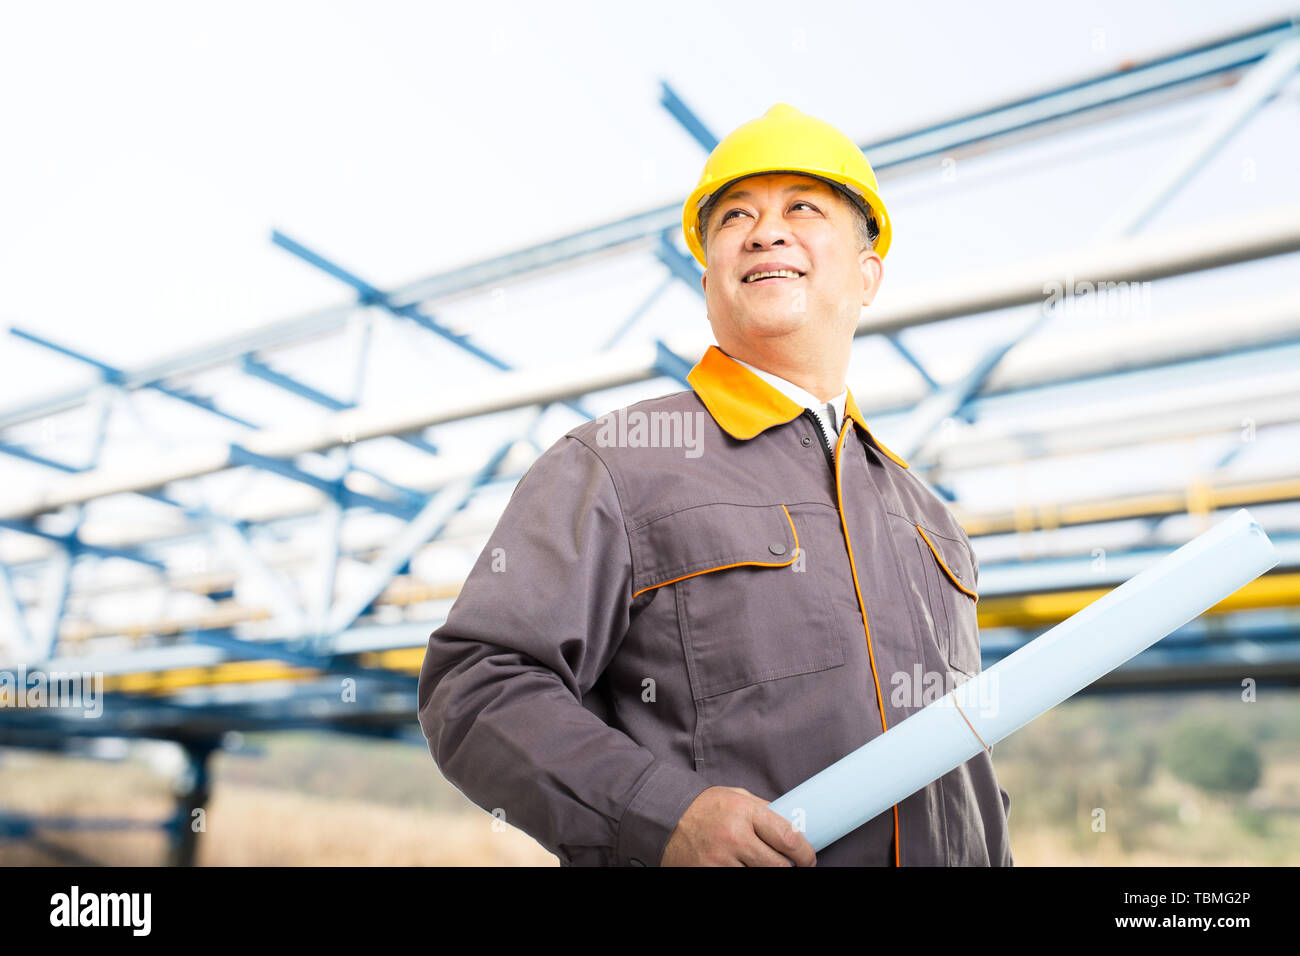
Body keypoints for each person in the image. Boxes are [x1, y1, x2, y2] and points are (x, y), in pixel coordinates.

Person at [417, 103, 1013, 867]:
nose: (767, 231)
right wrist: (661, 816)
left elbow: (971, 779)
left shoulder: (929, 520)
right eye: (736, 216)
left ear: (869, 276)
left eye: (803, 206)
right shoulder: (618, 464)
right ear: (709, 281)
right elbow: (475, 686)